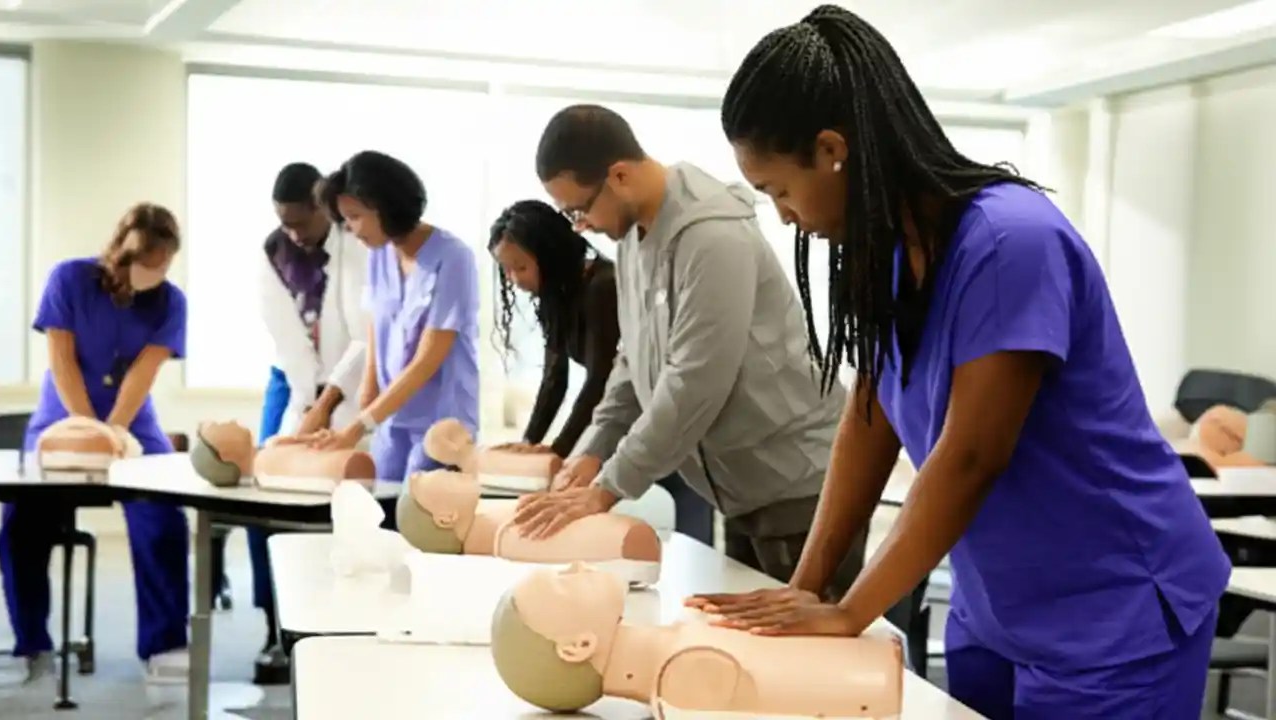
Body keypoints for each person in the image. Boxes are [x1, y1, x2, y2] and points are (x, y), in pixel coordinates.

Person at [686, 7, 1231, 718]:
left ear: (831, 149)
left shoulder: (1011, 242)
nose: (784, 216)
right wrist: (808, 584)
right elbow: (869, 419)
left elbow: (973, 454)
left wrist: (852, 612)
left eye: (778, 190)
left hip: (1113, 607)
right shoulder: (886, 255)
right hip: (999, 603)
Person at [512, 105, 865, 603]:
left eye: (579, 209)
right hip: (741, 489)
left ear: (619, 176)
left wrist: (609, 487)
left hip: (799, 487)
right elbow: (633, 363)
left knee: (809, 663)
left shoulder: (712, 236)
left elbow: (695, 381)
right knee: (752, 651)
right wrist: (592, 451)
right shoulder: (635, 237)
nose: (581, 226)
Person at [0, 203, 191, 683]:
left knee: (164, 519)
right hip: (62, 418)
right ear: (121, 252)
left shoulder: (171, 303)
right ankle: (31, 645)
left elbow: (141, 375)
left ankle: (165, 645)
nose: (154, 271)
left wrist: (113, 433)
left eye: (163, 262)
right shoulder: (69, 280)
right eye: (145, 261)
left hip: (133, 425)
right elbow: (62, 360)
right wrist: (87, 429)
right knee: (21, 523)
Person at [488, 199, 715, 545]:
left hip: (667, 422)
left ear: (548, 254)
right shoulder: (559, 297)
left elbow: (600, 380)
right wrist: (532, 443)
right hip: (629, 425)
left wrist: (562, 450)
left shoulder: (603, 287)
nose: (514, 280)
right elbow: (554, 377)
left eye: (520, 267)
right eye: (507, 271)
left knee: (691, 538)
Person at [247, 161, 369, 684]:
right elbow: (289, 344)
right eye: (284, 222)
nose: (293, 233)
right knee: (265, 490)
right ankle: (275, 628)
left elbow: (367, 335)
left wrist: (328, 404)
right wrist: (305, 408)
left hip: (352, 377)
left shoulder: (355, 243)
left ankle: (334, 625)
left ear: (323, 209)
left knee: (344, 497)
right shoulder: (273, 253)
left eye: (301, 222)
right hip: (293, 378)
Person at [308, 150, 479, 499]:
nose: (352, 230)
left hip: (441, 423)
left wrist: (360, 424)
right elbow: (376, 329)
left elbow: (428, 358)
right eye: (346, 220)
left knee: (420, 518)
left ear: (386, 206)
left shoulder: (453, 257)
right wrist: (366, 400)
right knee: (379, 520)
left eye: (355, 217)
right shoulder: (379, 255)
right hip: (391, 419)